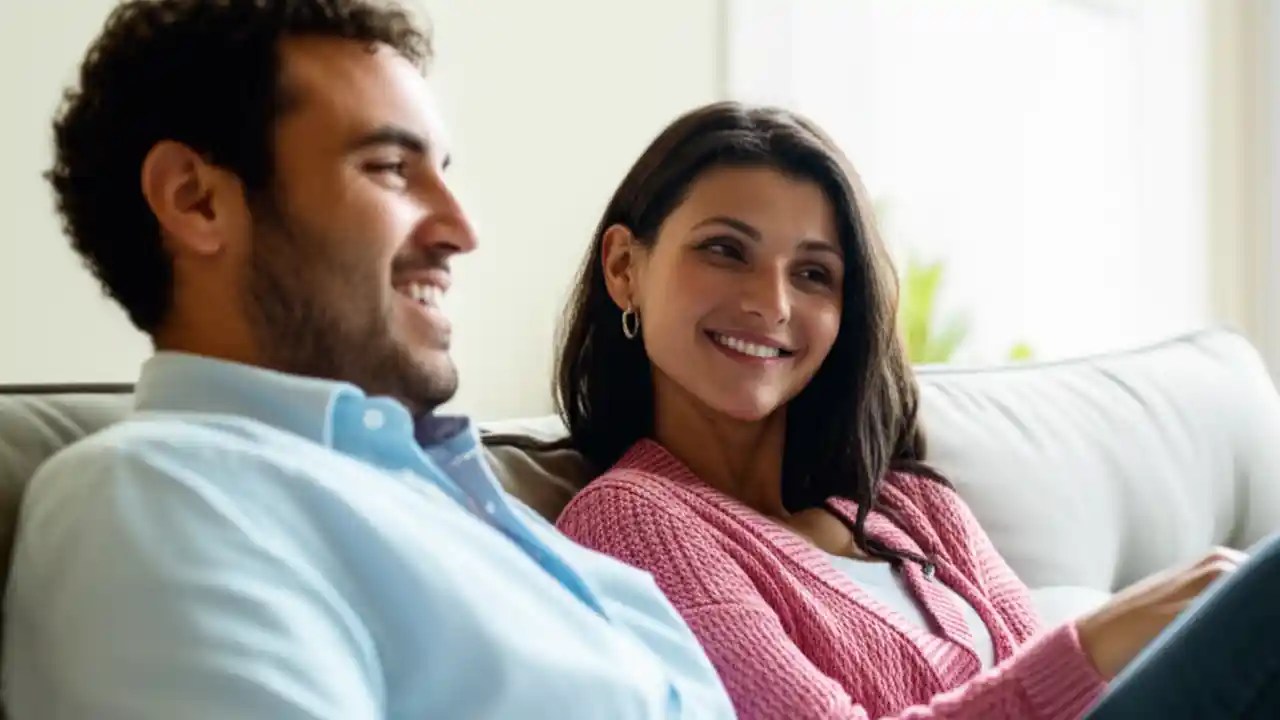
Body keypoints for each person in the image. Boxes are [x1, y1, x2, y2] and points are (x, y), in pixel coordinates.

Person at [2, 2, 737, 718]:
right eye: (390, 167)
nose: (461, 230)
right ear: (196, 201)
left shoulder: (491, 515)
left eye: (443, 170)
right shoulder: (160, 495)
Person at [553, 100, 1280, 719]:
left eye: (812, 273)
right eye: (725, 251)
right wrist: (1098, 641)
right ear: (625, 269)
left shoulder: (914, 507)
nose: (771, 303)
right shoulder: (631, 519)